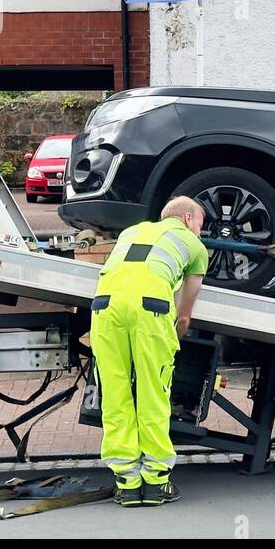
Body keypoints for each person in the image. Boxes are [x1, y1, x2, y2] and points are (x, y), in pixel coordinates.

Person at [90, 196, 208, 507]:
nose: (201, 230)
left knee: (115, 394)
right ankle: (156, 482)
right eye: (200, 223)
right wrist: (176, 334)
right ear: (187, 219)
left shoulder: (131, 232)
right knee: (153, 392)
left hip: (105, 309)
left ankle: (127, 483)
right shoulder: (194, 245)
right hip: (150, 310)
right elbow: (186, 312)